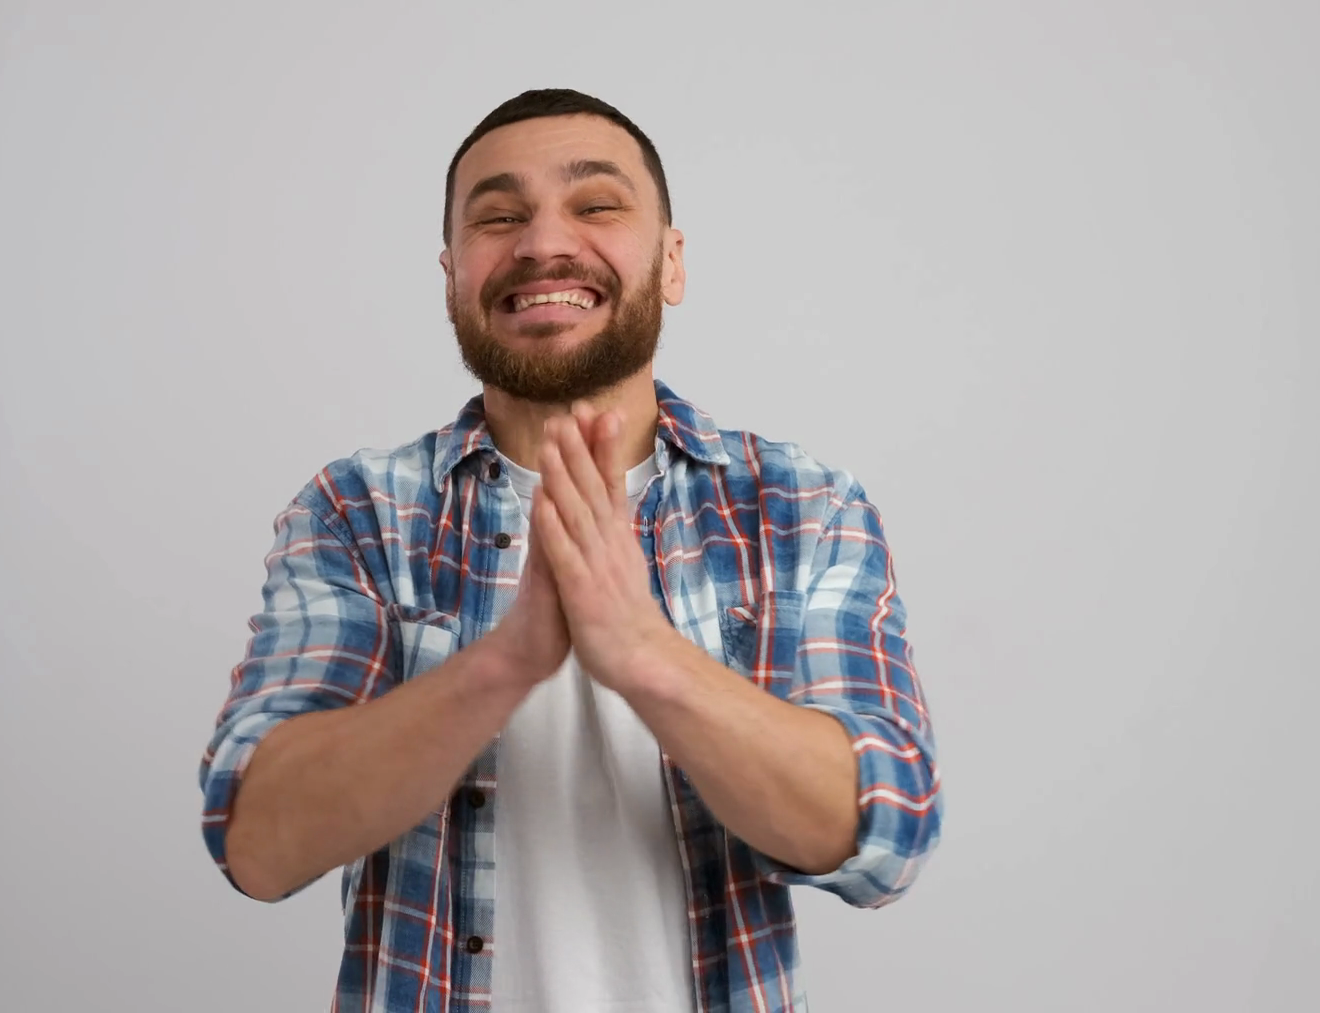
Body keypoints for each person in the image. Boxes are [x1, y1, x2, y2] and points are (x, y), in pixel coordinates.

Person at [199, 88, 942, 1013]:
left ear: (671, 261)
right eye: (499, 216)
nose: (544, 243)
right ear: (452, 276)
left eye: (596, 206)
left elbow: (885, 836)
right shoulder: (358, 511)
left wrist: (645, 655)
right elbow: (256, 842)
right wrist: (503, 665)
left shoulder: (800, 507)